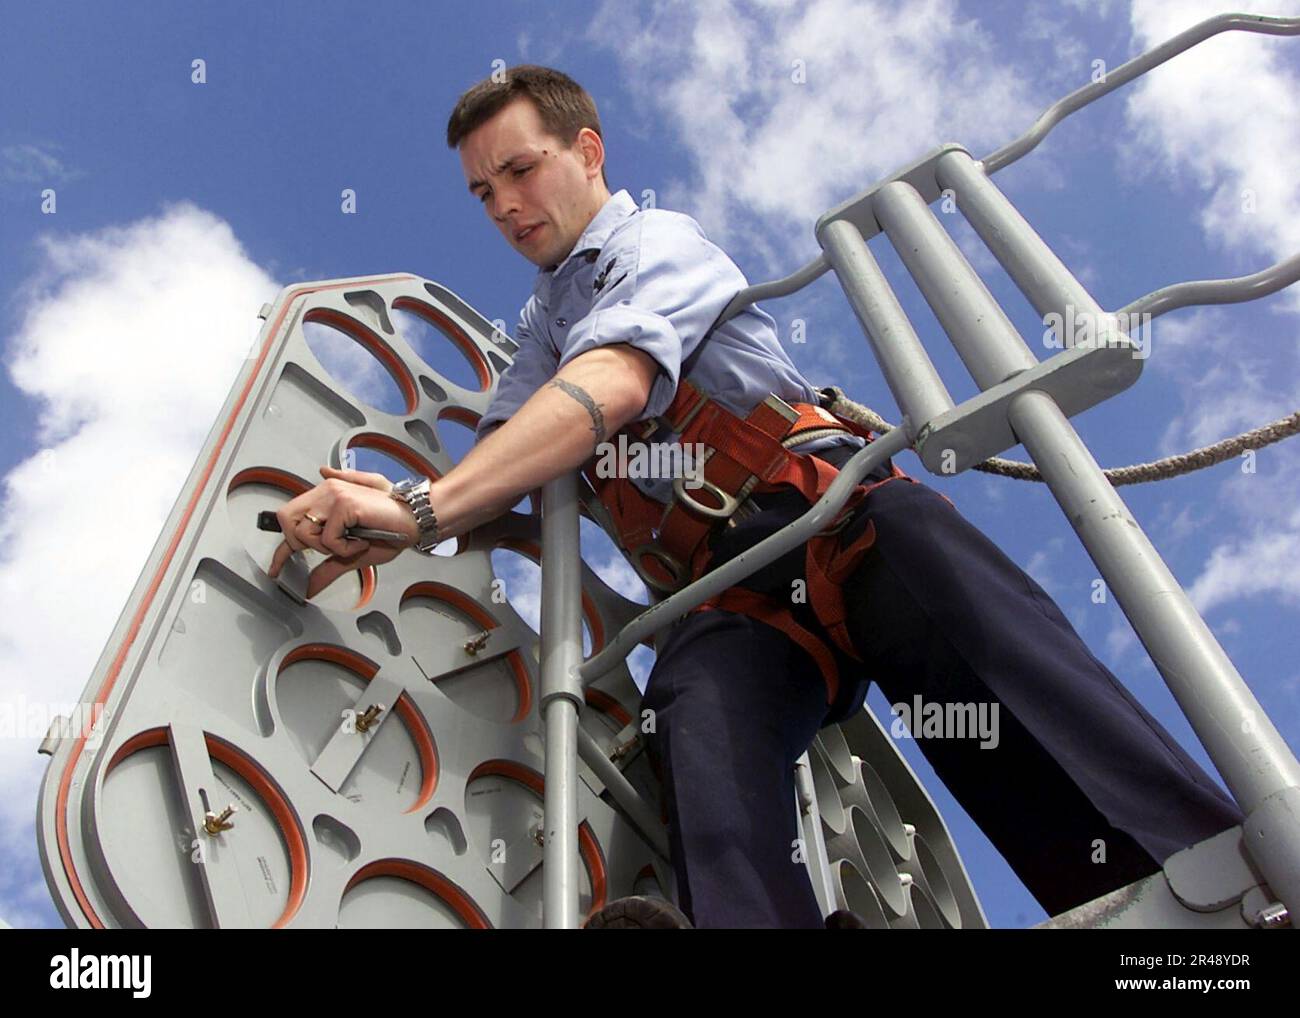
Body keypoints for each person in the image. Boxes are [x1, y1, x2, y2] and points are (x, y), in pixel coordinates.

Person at [268, 65, 1246, 929]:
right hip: (728, 595)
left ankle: (1226, 892)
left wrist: (425, 509)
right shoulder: (542, 331)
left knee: (1011, 716)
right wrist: (392, 506)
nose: (505, 205)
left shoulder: (654, 241)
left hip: (834, 518)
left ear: (587, 151)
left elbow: (610, 384)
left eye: (519, 171)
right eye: (484, 193)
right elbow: (498, 468)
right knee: (690, 723)